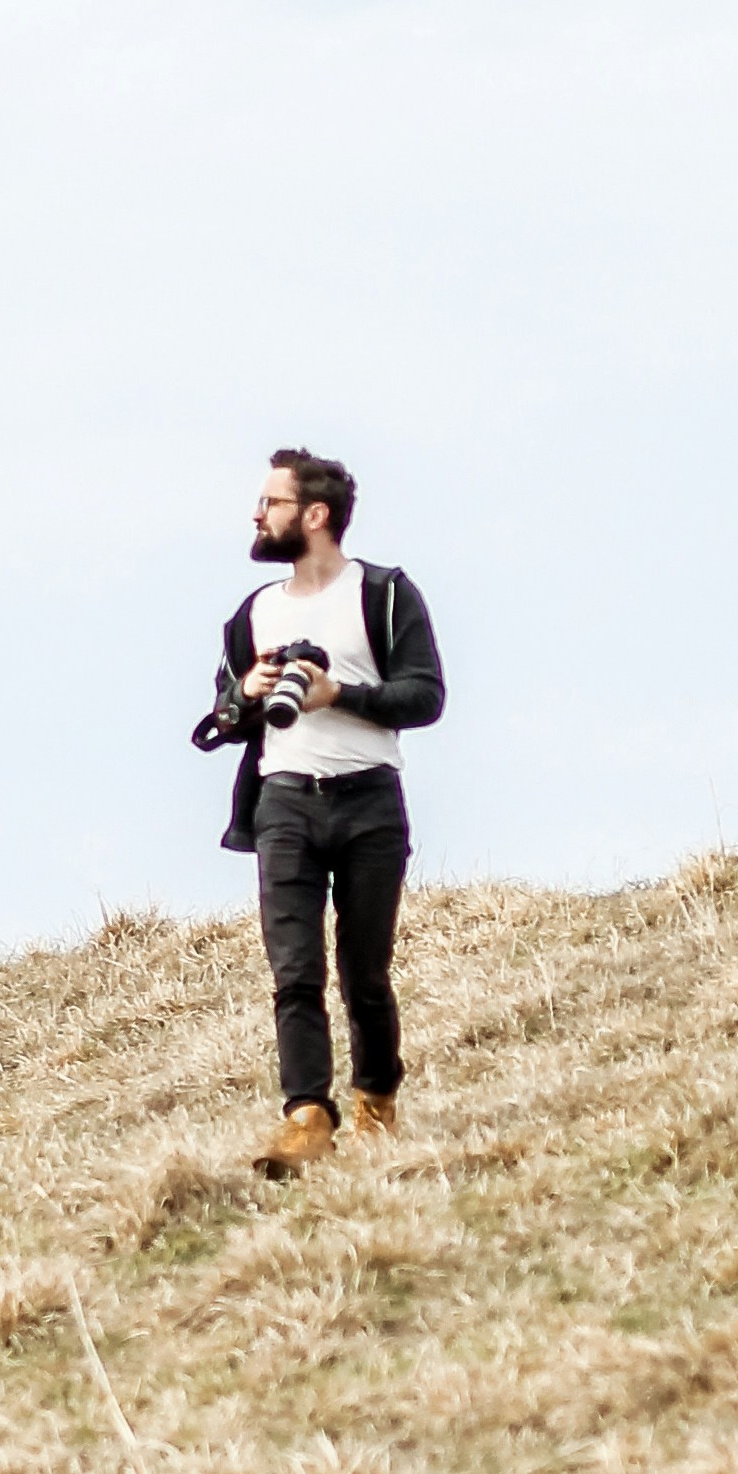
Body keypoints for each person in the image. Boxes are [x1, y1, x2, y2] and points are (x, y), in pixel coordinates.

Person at [190, 448, 447, 1176]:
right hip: (285, 801)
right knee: (294, 970)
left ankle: (375, 1104)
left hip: (369, 798)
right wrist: (245, 689)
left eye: (270, 502)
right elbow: (226, 715)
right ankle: (306, 1114)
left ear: (315, 515)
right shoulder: (254, 614)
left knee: (365, 970)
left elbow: (426, 696)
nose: (256, 514)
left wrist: (342, 696)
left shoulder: (385, 594)